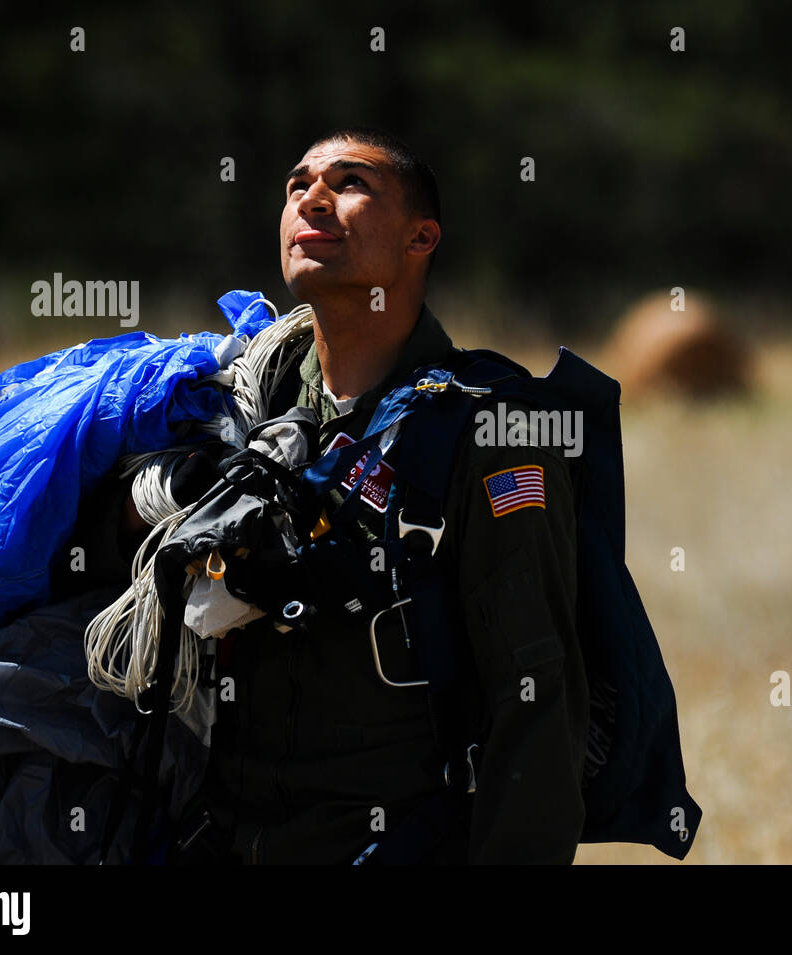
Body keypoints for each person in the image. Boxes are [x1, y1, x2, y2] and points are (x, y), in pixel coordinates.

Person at [63, 128, 589, 864]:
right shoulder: (235, 397)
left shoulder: (487, 427)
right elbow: (80, 553)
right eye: (295, 184)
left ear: (420, 237)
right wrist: (174, 499)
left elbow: (534, 694)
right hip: (216, 831)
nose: (310, 197)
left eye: (350, 183)